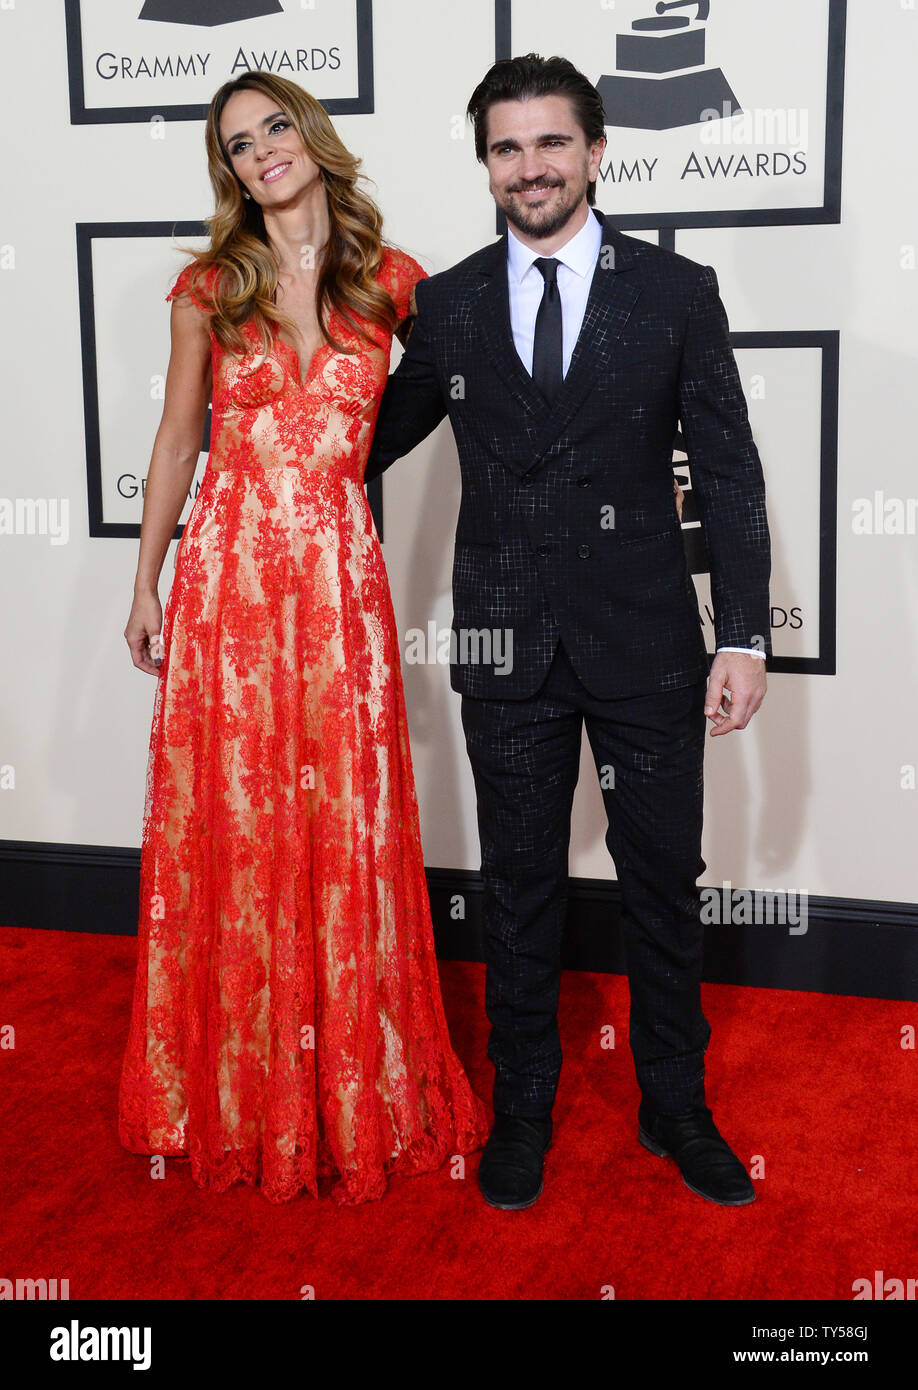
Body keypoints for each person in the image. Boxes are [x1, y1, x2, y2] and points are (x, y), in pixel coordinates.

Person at [364, 54, 771, 1211]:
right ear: (486, 164)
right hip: (505, 646)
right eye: (507, 147)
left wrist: (743, 634)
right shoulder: (446, 305)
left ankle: (675, 1104)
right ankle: (525, 1104)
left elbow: (729, 472)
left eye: (551, 143)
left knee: (664, 883)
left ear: (595, 152)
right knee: (519, 885)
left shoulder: (676, 292)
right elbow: (364, 442)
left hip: (647, 641)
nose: (529, 167)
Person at [118, 70, 488, 1206]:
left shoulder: (395, 282)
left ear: (311, 135)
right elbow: (177, 439)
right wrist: (146, 582)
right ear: (228, 171)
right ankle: (236, 1092)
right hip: (226, 581)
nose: (262, 151)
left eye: (275, 126)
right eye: (239, 144)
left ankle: (349, 1086)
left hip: (337, 584)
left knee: (345, 821)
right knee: (236, 823)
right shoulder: (208, 288)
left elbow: (474, 394)